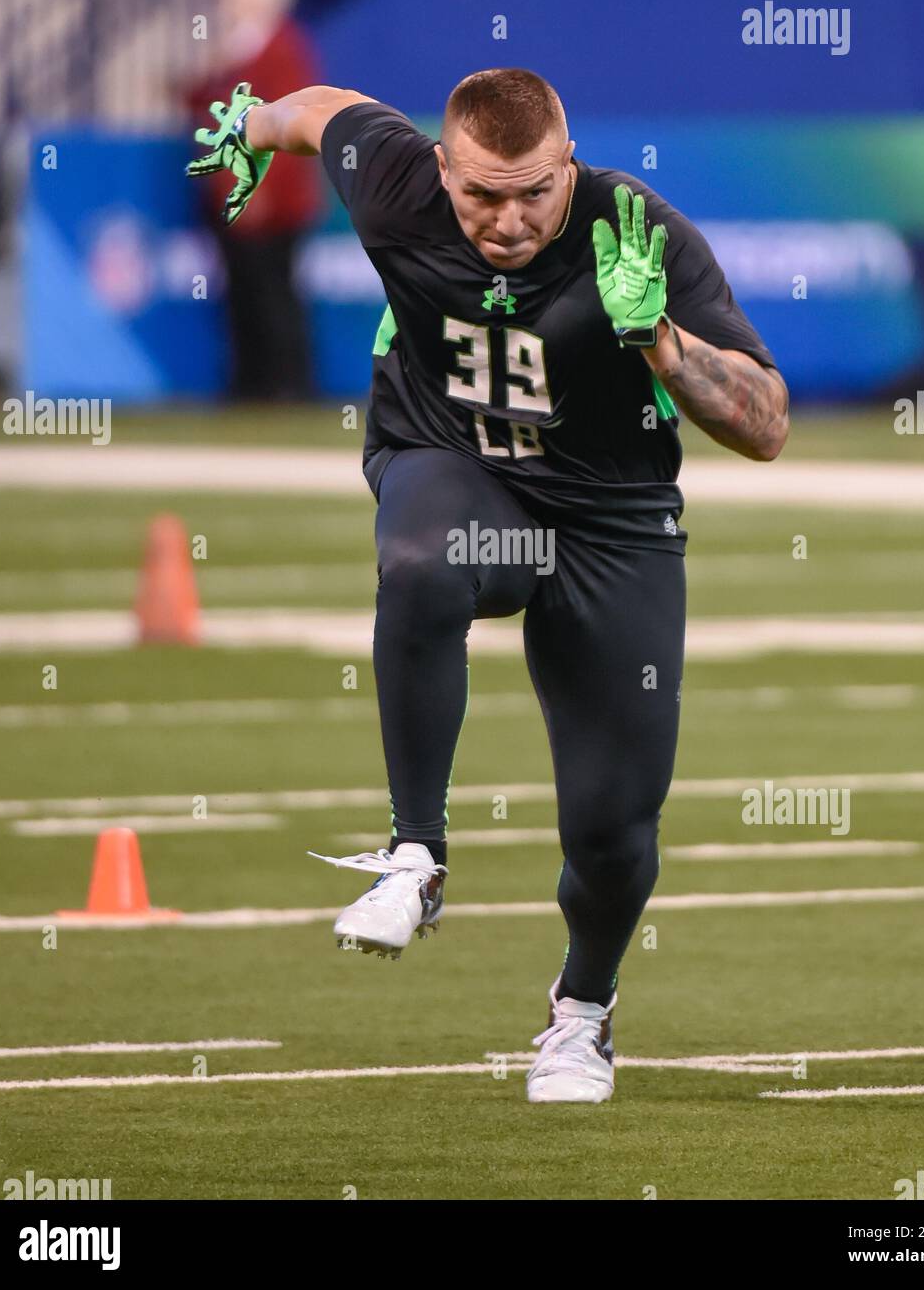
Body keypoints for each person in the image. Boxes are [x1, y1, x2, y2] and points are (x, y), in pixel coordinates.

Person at [186, 70, 789, 1102]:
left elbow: (765, 423)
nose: (507, 220)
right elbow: (318, 114)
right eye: (481, 196)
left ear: (568, 166)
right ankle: (414, 853)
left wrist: (660, 341)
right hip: (454, 468)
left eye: (532, 194)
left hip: (607, 520)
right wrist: (255, 123)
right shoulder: (390, 182)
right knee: (417, 563)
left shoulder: (635, 230)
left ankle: (580, 1011)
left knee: (611, 832)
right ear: (437, 170)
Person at [184, 0, 322, 401]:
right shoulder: (240, 45)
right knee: (243, 293)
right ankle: (251, 384)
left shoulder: (280, 47)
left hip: (266, 199)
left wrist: (256, 191)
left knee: (272, 293)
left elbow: (287, 124)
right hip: (234, 191)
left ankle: (286, 386)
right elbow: (218, 107)